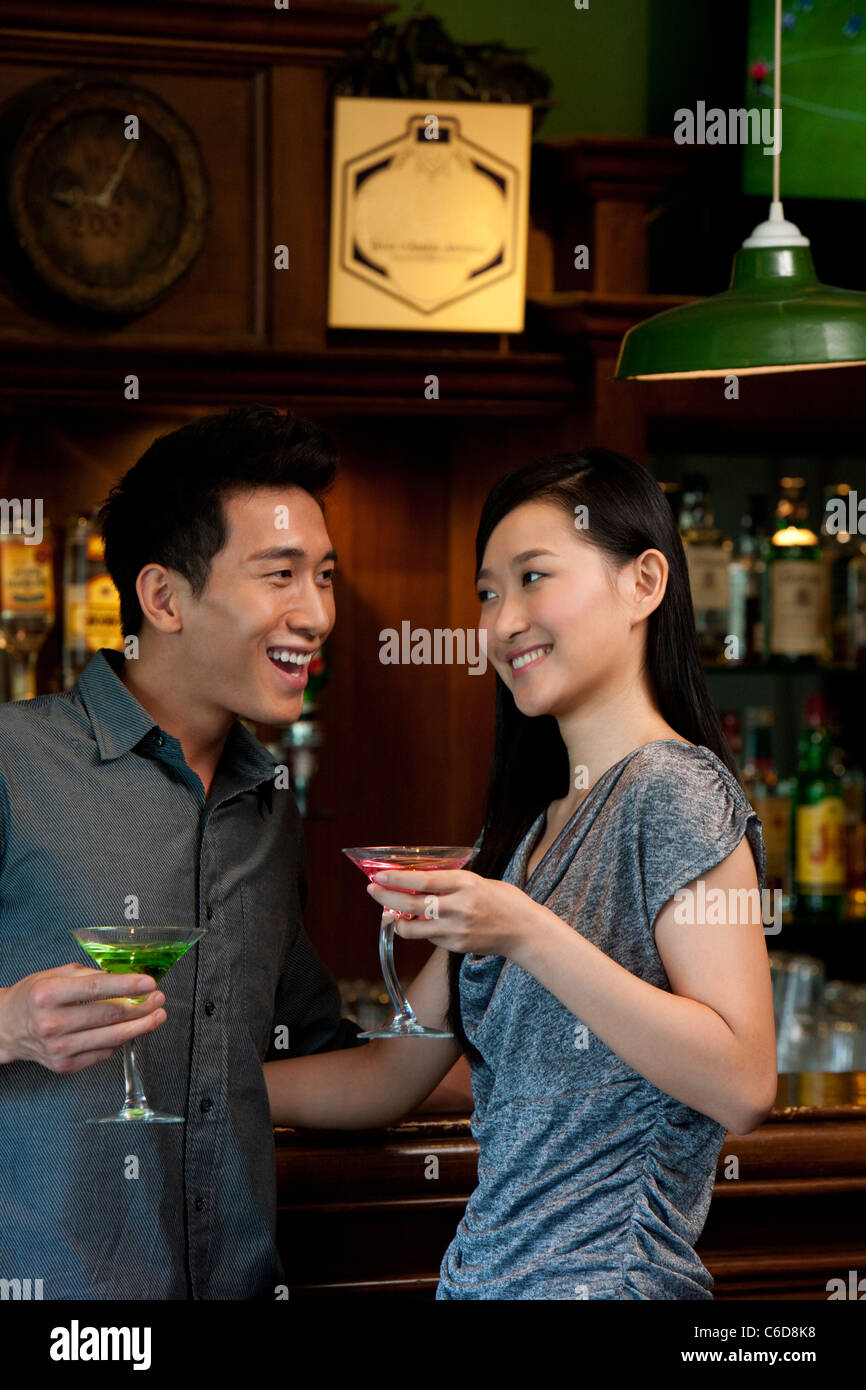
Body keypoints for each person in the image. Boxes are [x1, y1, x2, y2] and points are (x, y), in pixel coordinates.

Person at [263, 448, 777, 1301]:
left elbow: (744, 1080)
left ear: (645, 582)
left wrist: (527, 933)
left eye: (534, 577)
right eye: (489, 593)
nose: (503, 623)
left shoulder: (674, 790)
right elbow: (391, 1071)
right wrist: (203, 1086)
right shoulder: (533, 829)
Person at [0, 404, 369, 1299]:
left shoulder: (268, 806)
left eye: (323, 577)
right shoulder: (14, 762)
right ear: (162, 598)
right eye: (279, 575)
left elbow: (300, 1059)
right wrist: (7, 1022)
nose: (316, 613)